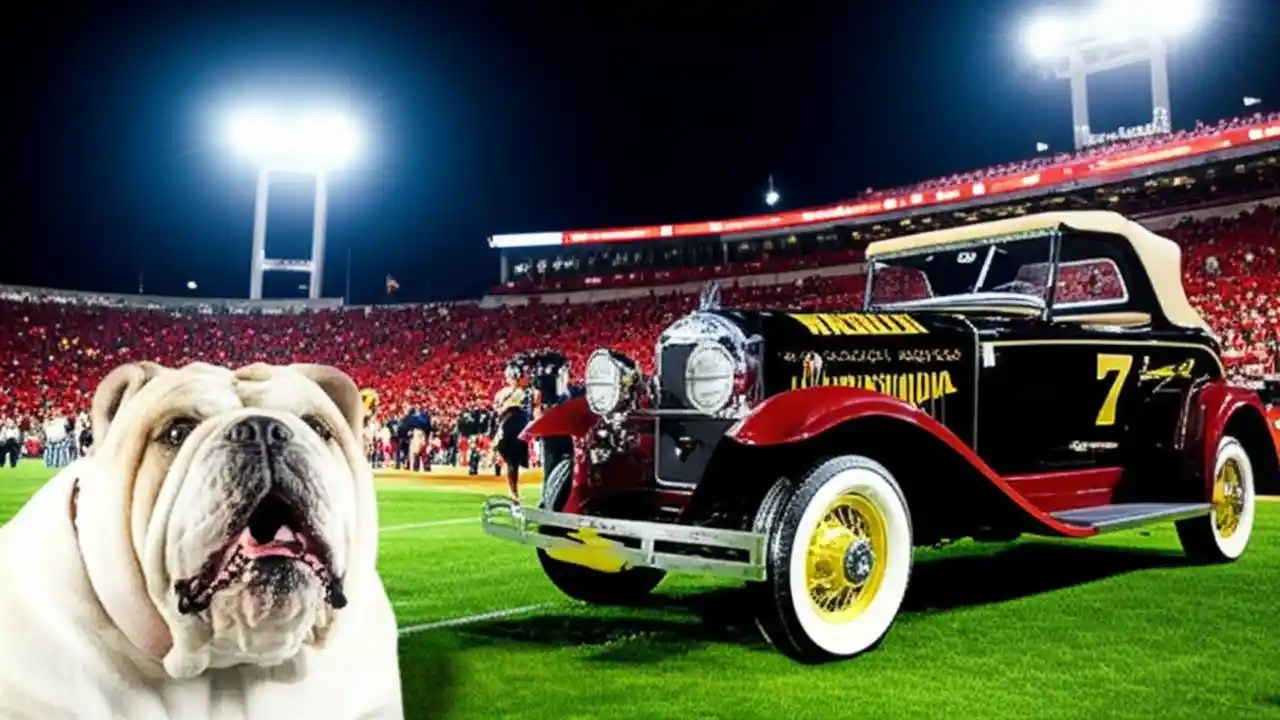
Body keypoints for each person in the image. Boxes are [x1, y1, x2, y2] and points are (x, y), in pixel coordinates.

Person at [493, 364, 530, 502]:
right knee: (512, 463)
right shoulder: (511, 392)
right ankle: (514, 493)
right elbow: (504, 411)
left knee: (513, 463)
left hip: (515, 427)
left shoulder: (509, 392)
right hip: (511, 427)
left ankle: (514, 491)